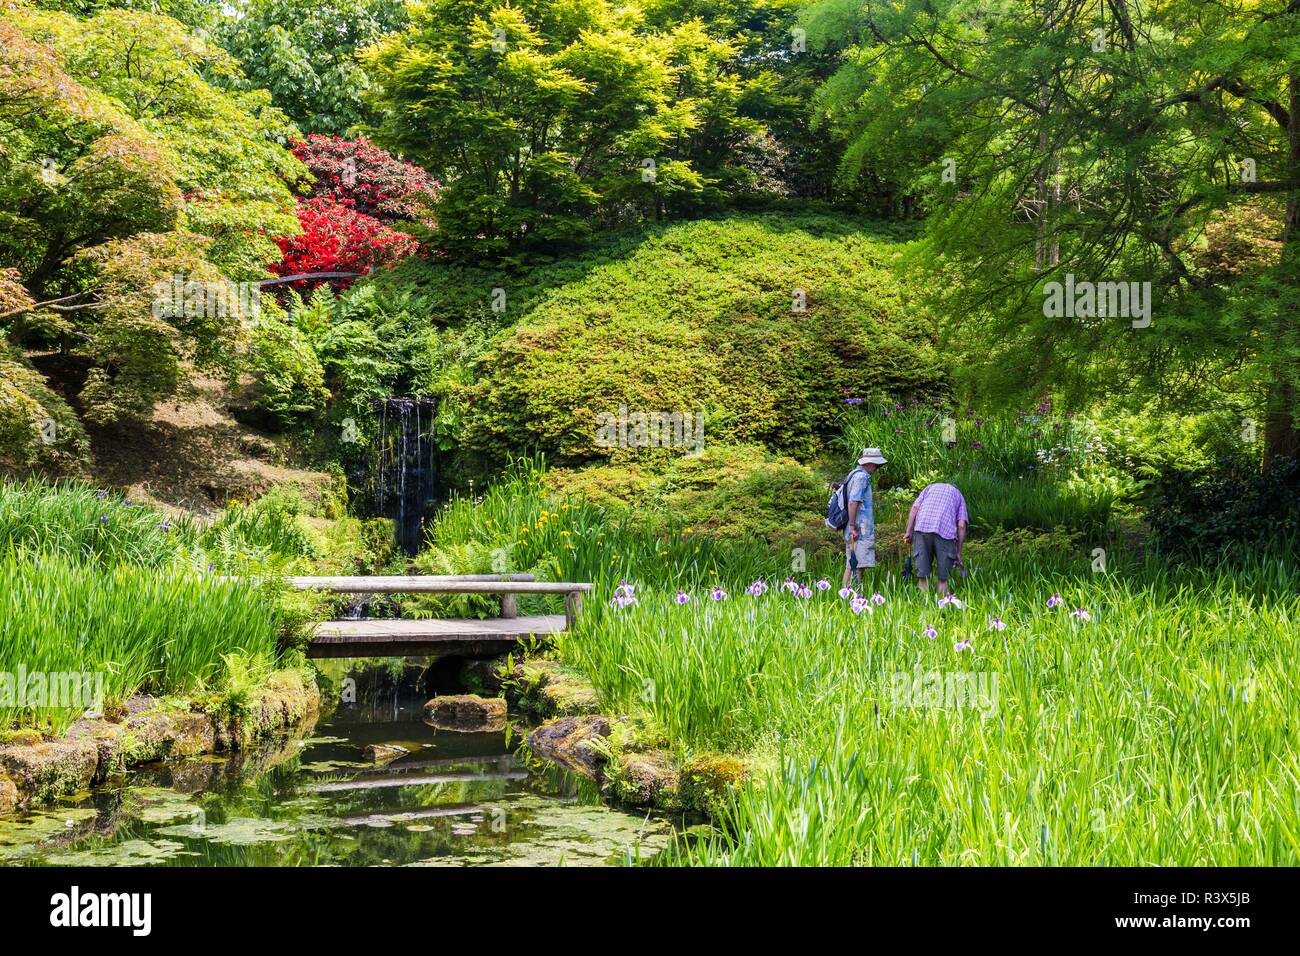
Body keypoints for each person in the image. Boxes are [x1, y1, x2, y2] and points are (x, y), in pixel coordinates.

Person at [903, 481, 968, 598]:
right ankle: (939, 610)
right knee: (943, 578)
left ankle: (924, 608)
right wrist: (958, 552)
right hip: (945, 533)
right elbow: (962, 525)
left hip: (922, 528)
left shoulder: (929, 488)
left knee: (923, 576)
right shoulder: (958, 495)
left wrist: (908, 532)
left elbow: (915, 507)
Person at [842, 448, 887, 589]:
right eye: (876, 465)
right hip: (860, 529)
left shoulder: (853, 474)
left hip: (855, 527)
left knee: (851, 564)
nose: (876, 468)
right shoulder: (862, 477)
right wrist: (852, 527)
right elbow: (853, 502)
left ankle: (845, 595)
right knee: (858, 565)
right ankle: (854, 597)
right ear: (869, 463)